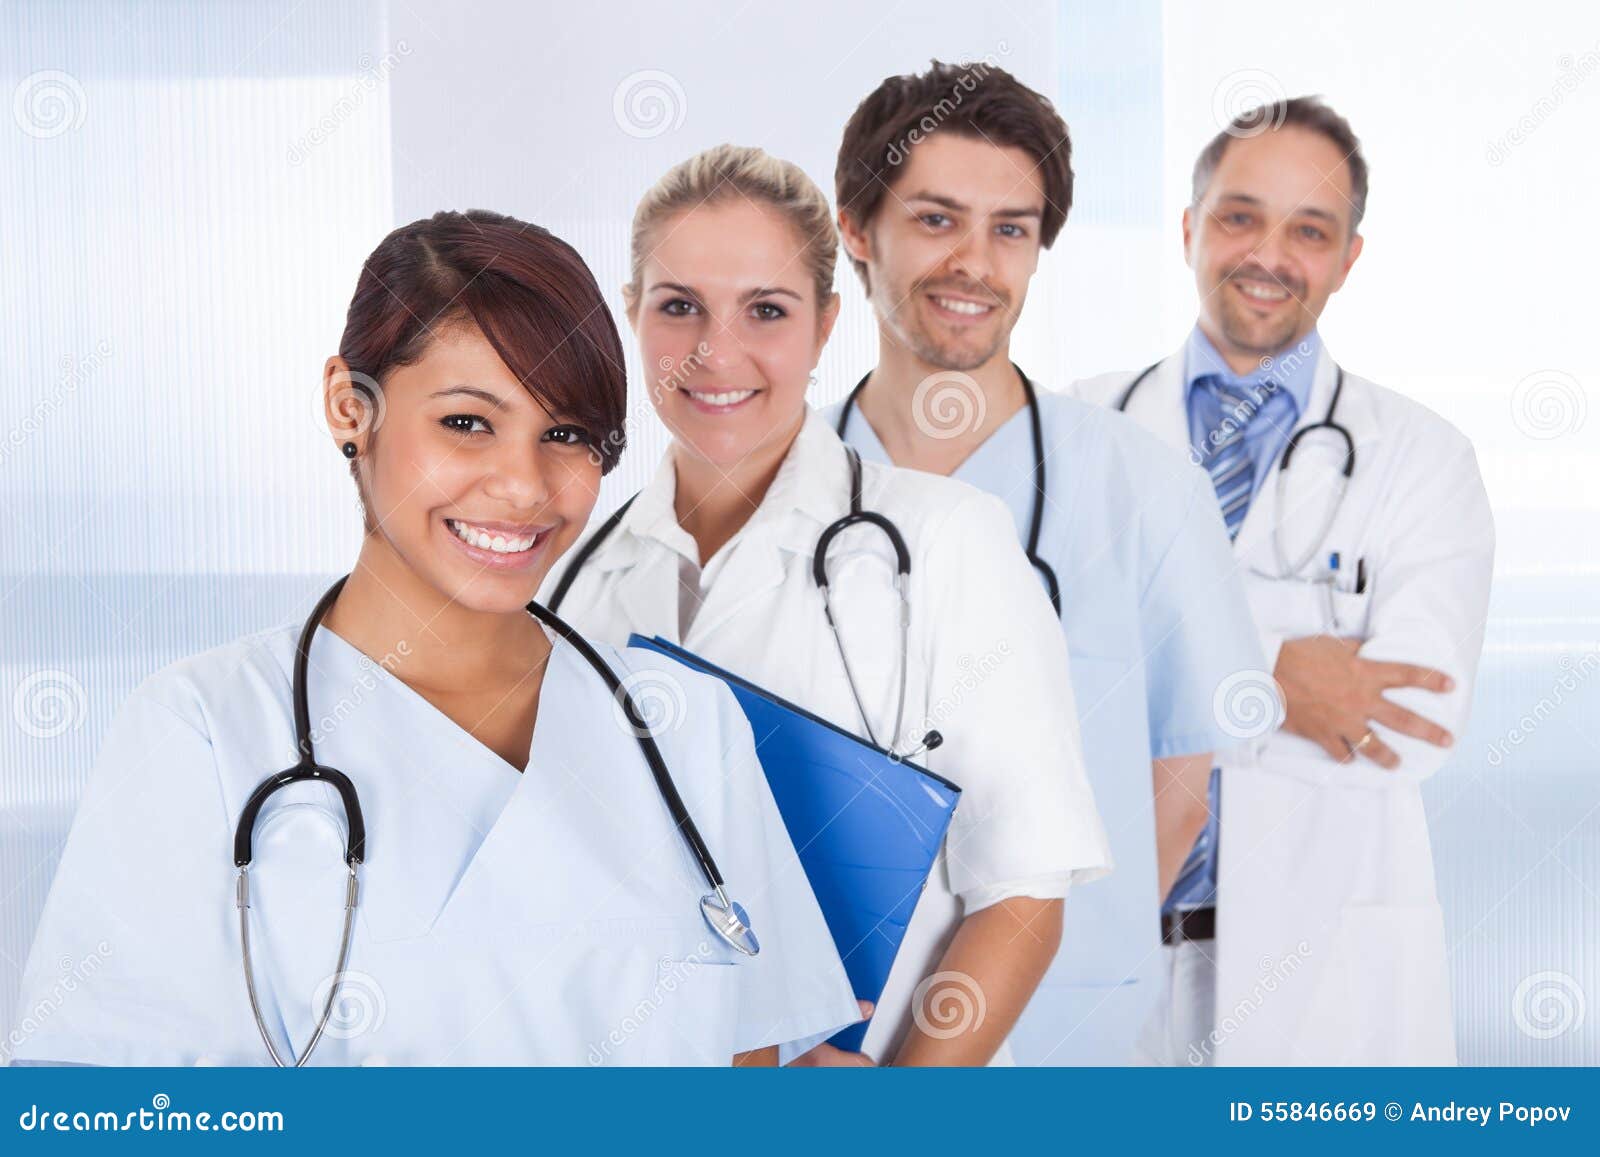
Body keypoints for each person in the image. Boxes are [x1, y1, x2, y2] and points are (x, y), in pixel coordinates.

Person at [8, 210, 860, 1067]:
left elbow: (753, 1072)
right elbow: (102, 1108)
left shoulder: (682, 725)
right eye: (466, 422)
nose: (525, 486)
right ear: (352, 407)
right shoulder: (204, 727)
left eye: (564, 434)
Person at [543, 144, 1112, 1066]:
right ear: (632, 317)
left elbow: (1023, 895)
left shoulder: (943, 542)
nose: (715, 352)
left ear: (824, 325)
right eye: (678, 305)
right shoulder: (569, 586)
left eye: (765, 310)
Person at [823, 61, 1264, 1064]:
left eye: (1010, 229)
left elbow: (1179, 778)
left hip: (1070, 1030)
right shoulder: (777, 489)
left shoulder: (1142, 486)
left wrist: (1079, 964)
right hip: (829, 1033)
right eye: (935, 219)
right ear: (856, 228)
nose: (974, 262)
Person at [1072, 97, 1494, 1064]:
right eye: (1239, 216)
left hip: (1326, 973)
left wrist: (1152, 664)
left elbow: (1401, 724)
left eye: (1309, 230)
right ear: (1188, 230)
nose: (1269, 252)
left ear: (1348, 259)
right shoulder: (1072, 433)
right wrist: (1276, 676)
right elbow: (1032, 680)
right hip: (1098, 960)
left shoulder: (1422, 459)